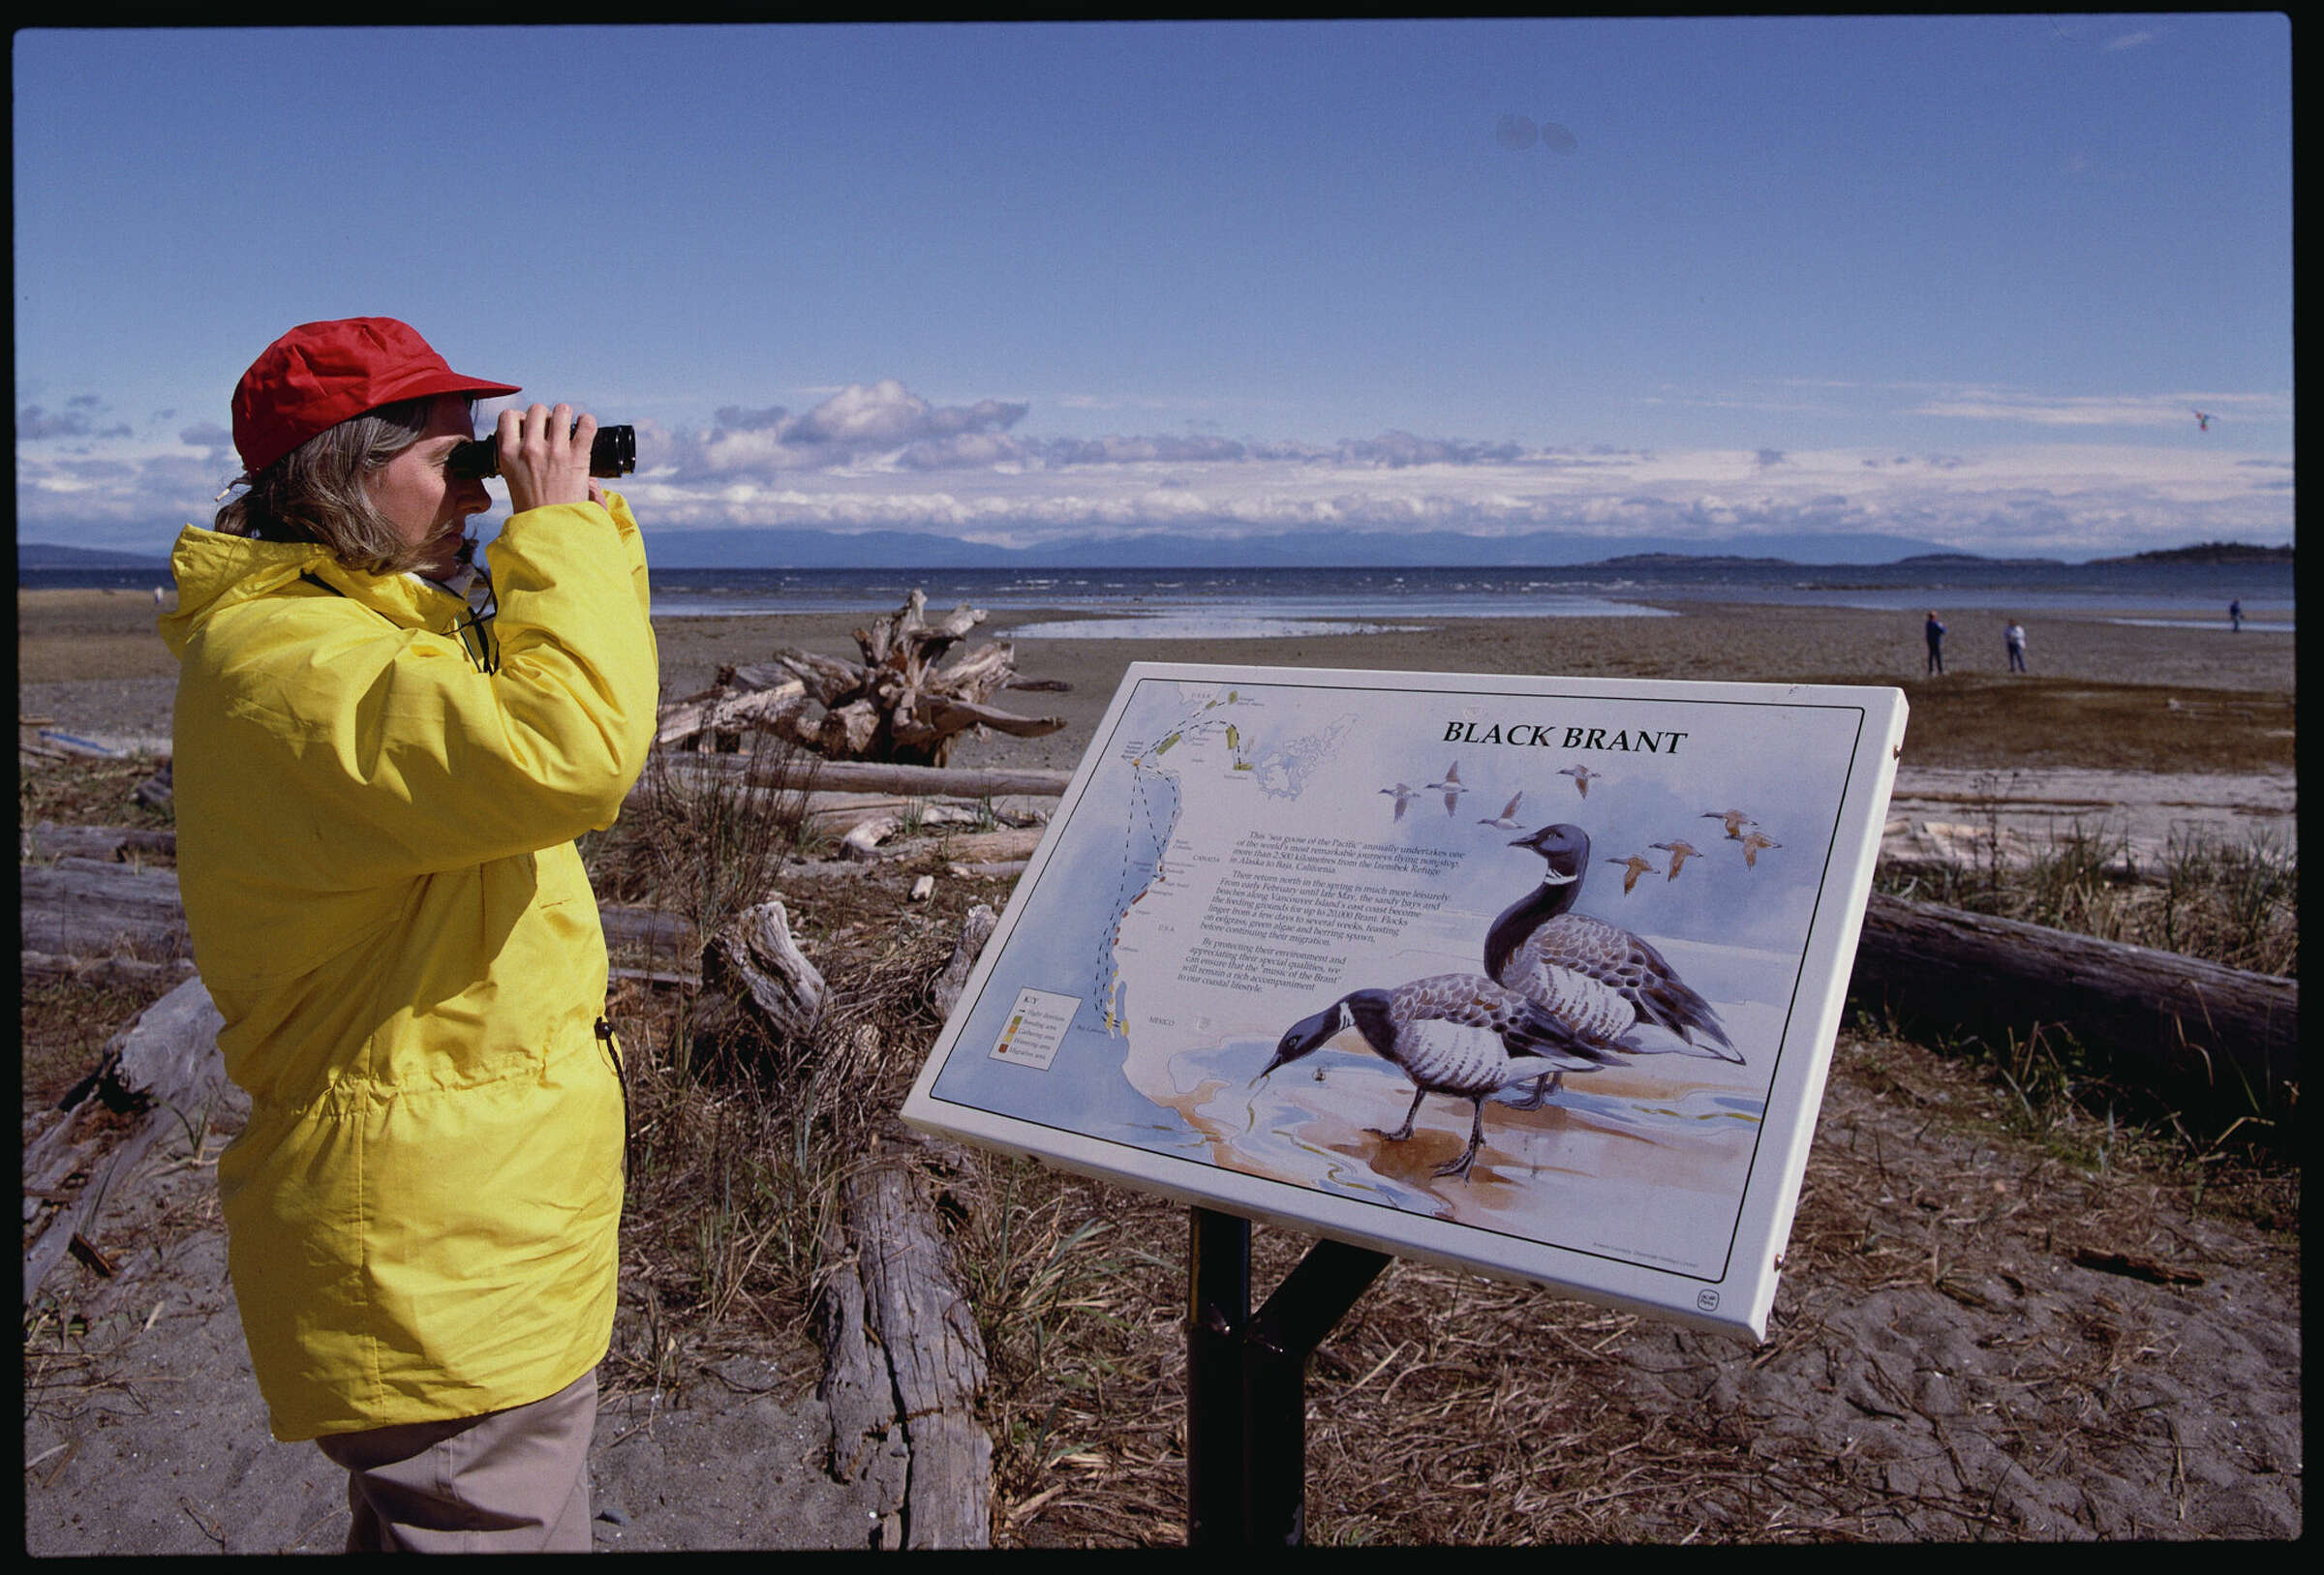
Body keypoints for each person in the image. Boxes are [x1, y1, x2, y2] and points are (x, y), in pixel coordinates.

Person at [158, 318, 657, 1552]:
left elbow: (538, 722)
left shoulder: (359, 631)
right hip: (437, 1256)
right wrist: (558, 532)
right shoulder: (292, 665)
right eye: (452, 458)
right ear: (337, 474)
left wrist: (561, 529)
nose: (481, 487)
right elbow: (570, 751)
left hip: (463, 1226)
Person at [1923, 611, 1946, 675]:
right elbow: (1944, 631)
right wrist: (1942, 626)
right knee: (1938, 656)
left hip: (1930, 642)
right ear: (1934, 617)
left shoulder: (1928, 623)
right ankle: (1940, 670)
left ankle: (1931, 670)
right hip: (1936, 642)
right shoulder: (1936, 623)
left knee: (1931, 656)